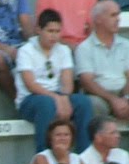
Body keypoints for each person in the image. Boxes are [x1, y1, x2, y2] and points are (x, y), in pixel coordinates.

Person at [14, 9, 91, 153]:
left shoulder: (63, 50)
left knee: (83, 102)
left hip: (57, 95)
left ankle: (84, 154)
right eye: (50, 31)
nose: (54, 36)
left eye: (57, 31)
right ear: (39, 29)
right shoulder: (26, 51)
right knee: (46, 104)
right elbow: (30, 84)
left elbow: (67, 82)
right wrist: (56, 98)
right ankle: (44, 154)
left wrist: (64, 97)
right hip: (31, 100)